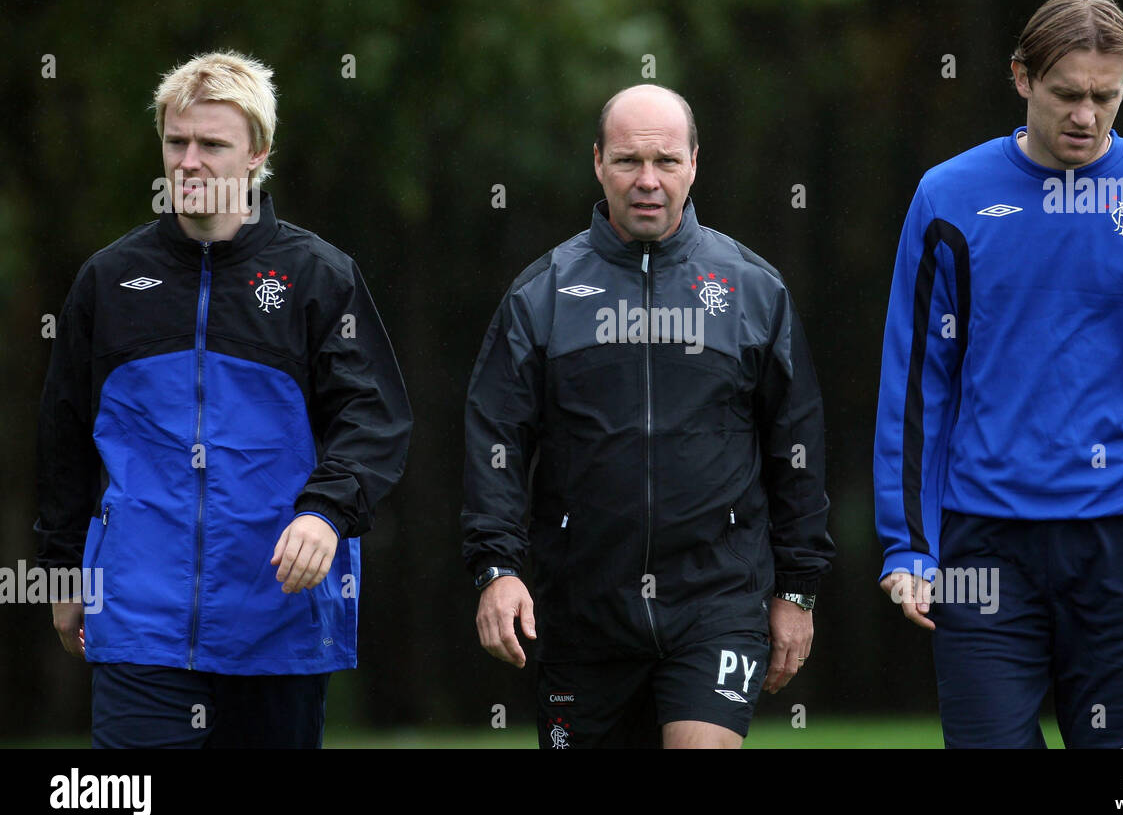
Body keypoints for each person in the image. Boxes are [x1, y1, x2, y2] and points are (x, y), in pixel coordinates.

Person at [873, 0, 1123, 748]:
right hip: (982, 539)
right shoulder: (949, 197)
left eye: (1104, 97)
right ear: (1022, 78)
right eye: (1067, 94)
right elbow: (916, 381)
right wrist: (908, 541)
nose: (1086, 115)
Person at [34, 50, 413, 748]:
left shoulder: (318, 277)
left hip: (279, 615)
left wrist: (326, 514)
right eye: (177, 142)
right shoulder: (108, 281)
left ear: (257, 154)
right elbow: (64, 437)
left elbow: (373, 418)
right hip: (139, 619)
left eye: (212, 145)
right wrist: (60, 570)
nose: (190, 162)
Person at [461, 84, 834, 749]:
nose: (648, 181)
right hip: (581, 609)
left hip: (717, 600)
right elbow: (496, 441)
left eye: (666, 162)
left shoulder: (752, 289)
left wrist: (798, 592)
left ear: (695, 163)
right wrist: (498, 569)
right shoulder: (542, 293)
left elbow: (795, 449)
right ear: (598, 162)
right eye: (630, 162)